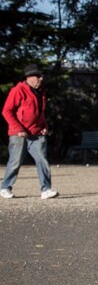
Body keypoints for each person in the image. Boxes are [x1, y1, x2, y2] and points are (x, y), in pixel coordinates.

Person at [2, 64, 58, 200]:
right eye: (38, 76)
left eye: (41, 76)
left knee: (42, 160)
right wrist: (19, 129)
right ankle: (5, 188)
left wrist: (44, 126)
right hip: (18, 133)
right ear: (29, 78)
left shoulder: (41, 91)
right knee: (15, 161)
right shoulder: (18, 90)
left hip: (36, 132)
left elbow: (40, 113)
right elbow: (6, 111)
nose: (41, 78)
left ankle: (46, 190)